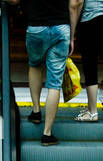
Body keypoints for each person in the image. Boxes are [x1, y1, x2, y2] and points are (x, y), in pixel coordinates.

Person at [13, 0, 83, 146]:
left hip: (36, 28)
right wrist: (72, 35)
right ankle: (47, 133)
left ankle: (36, 111)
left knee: (35, 65)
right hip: (61, 28)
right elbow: (76, 3)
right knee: (55, 84)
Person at [74, 0, 103, 121]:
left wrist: (73, 28)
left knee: (90, 67)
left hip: (90, 20)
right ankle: (90, 107)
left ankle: (92, 113)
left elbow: (77, 2)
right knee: (92, 66)